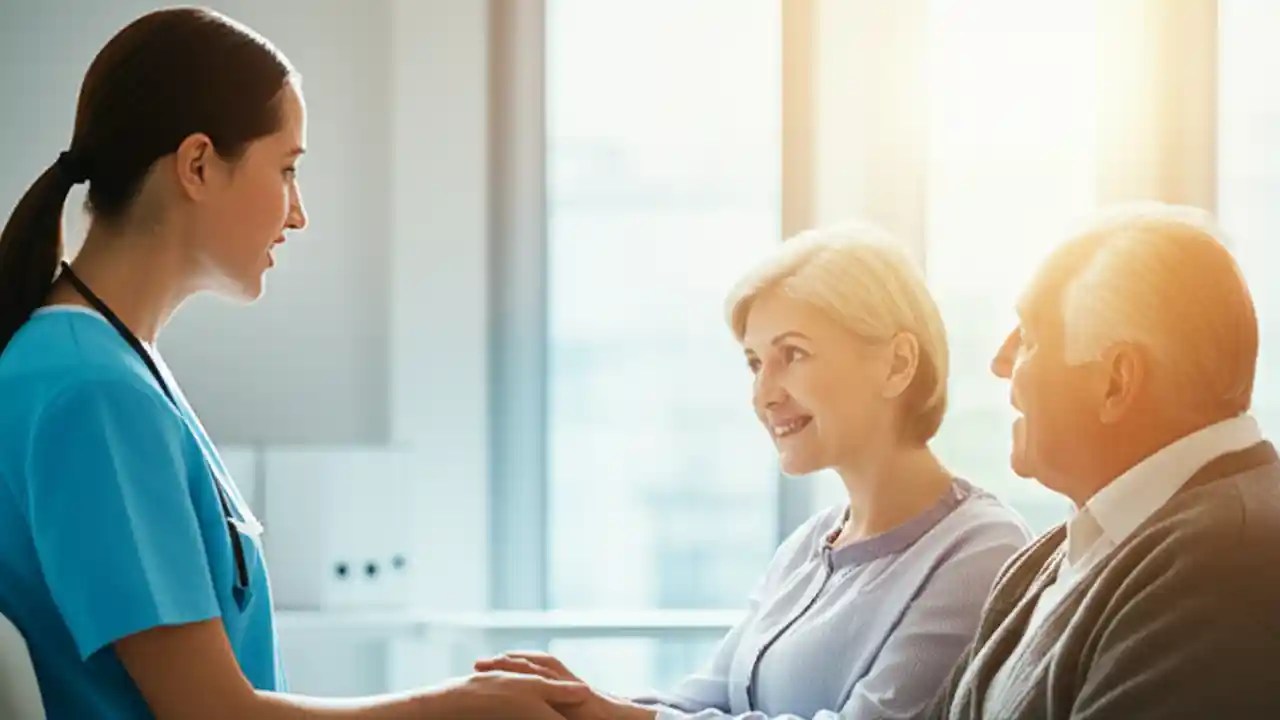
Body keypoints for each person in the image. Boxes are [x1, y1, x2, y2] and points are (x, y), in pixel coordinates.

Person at [0, 8, 586, 719]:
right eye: (287, 168)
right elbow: (213, 713)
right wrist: (459, 706)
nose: (298, 212)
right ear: (197, 166)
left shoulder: (104, 366)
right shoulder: (92, 393)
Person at [477, 223, 1032, 719]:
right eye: (753, 362)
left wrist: (614, 719)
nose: (763, 394)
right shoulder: (809, 545)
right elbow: (702, 701)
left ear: (897, 364)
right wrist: (573, 703)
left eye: (793, 354)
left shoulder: (981, 549)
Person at [925, 203, 1280, 719]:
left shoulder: (1231, 559)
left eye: (1028, 336)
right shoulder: (1053, 556)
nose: (1000, 364)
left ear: (1115, 381)